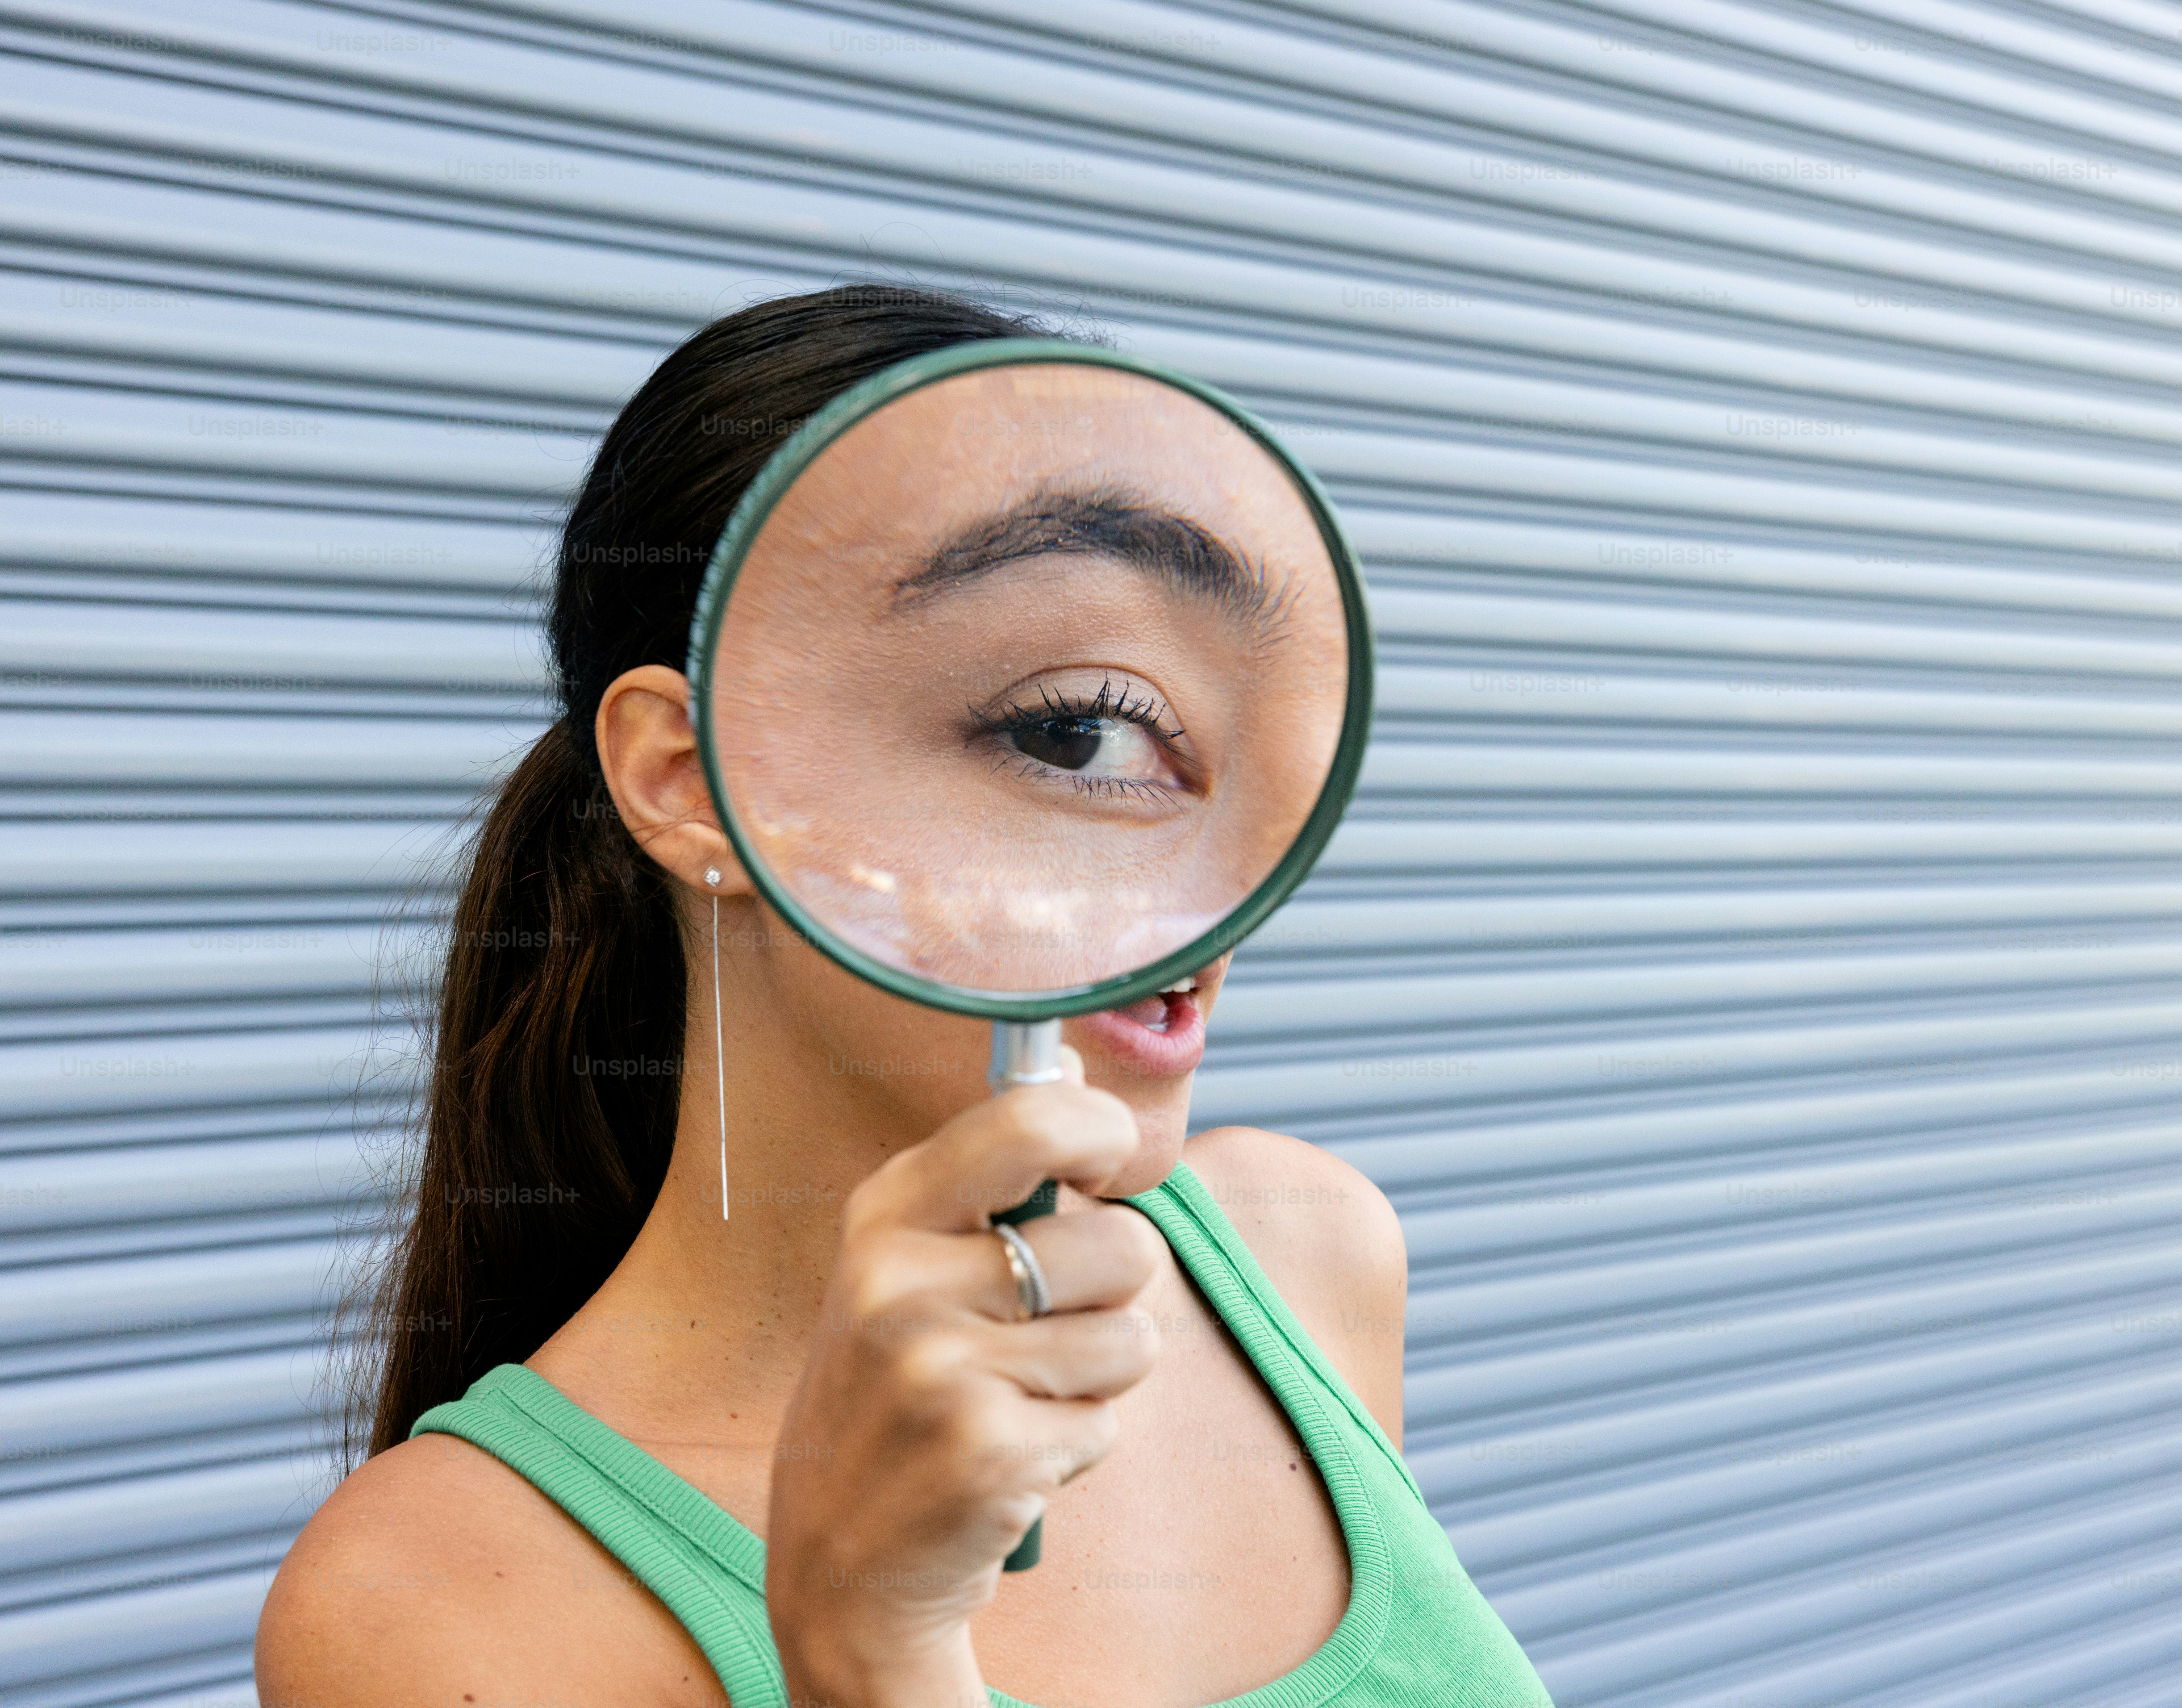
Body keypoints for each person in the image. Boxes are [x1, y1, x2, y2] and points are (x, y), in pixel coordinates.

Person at [255, 285, 1551, 1706]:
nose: (1207, 881)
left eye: (1221, 757)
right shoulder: (426, 1607)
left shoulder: (1309, 1258)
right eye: (1079, 726)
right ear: (693, 787)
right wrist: (871, 1656)